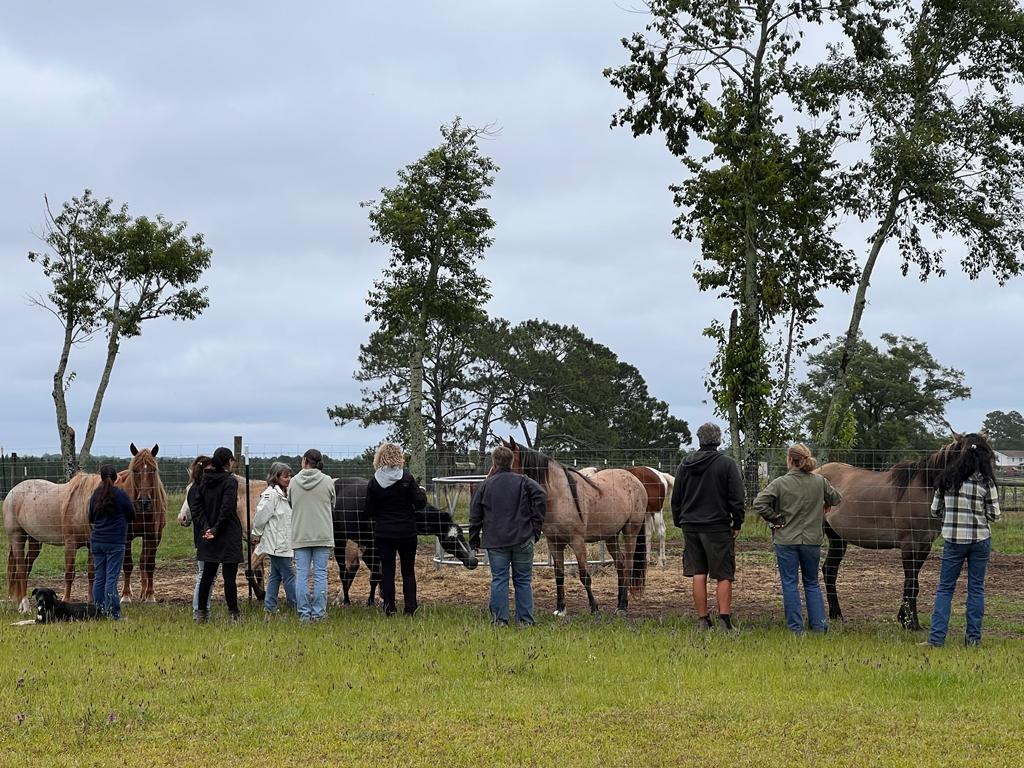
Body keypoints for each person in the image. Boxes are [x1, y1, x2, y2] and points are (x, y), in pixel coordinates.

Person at [753, 443, 842, 635]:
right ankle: (819, 626)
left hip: (786, 539)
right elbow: (837, 499)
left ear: (790, 460)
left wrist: (774, 517)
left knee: (790, 583)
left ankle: (796, 628)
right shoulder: (819, 482)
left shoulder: (780, 483)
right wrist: (825, 501)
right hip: (812, 539)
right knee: (812, 582)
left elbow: (759, 502)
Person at [923, 434, 1002, 648]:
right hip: (980, 539)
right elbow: (995, 515)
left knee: (945, 588)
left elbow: (934, 511)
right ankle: (973, 640)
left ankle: (936, 639)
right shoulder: (986, 482)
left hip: (953, 540)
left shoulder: (946, 479)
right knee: (976, 589)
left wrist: (949, 517)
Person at [670, 422, 745, 631]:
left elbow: (676, 498)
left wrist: (680, 521)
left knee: (698, 573)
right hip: (718, 526)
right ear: (718, 440)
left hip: (690, 526)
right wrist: (736, 522)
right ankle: (724, 621)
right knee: (723, 574)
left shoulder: (685, 464)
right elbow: (737, 497)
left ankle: (703, 620)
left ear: (699, 439)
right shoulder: (726, 464)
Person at [468, 445, 546, 627]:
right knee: (523, 580)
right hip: (523, 537)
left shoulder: (485, 485)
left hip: (496, 541)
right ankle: (525, 620)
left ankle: (500, 620)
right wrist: (536, 526)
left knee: (499, 579)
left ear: (493, 463)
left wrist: (474, 540)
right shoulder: (524, 481)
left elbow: (475, 515)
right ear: (512, 462)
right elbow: (541, 495)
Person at [365, 443, 427, 617]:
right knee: (408, 570)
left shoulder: (375, 481)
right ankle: (410, 607)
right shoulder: (407, 479)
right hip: (407, 531)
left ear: (379, 458)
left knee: (387, 569)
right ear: (399, 457)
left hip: (384, 532)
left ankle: (389, 607)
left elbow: (368, 509)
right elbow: (420, 502)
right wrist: (421, 493)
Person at [192, 447, 242, 622]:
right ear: (228, 461)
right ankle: (233, 614)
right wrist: (216, 528)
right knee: (229, 577)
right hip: (227, 534)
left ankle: (201, 613)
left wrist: (207, 527)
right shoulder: (230, 482)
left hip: (208, 535)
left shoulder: (205, 480)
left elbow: (197, 507)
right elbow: (227, 508)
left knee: (207, 575)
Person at [288, 448, 336, 624]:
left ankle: (304, 614)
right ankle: (319, 613)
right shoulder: (328, 481)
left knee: (302, 575)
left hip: (301, 534)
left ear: (305, 460)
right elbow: (333, 502)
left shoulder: (293, 482)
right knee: (320, 574)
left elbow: (290, 502)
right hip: (322, 534)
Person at [88, 464, 135, 620]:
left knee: (99, 577)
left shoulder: (95, 495)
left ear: (101, 478)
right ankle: (113, 614)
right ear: (116, 478)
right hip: (115, 542)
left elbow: (91, 517)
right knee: (111, 578)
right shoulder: (120, 495)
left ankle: (98, 611)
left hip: (97, 541)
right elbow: (132, 514)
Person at [252, 462, 297, 615]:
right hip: (277, 543)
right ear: (276, 477)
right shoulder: (270, 494)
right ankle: (296, 606)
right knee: (289, 575)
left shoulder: (285, 493)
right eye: (285, 476)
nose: (289, 479)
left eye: (290, 475)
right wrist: (256, 533)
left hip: (283, 542)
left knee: (275, 575)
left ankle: (269, 607)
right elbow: (260, 517)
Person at [177, 455, 214, 620]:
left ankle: (202, 609)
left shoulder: (199, 487)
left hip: (203, 536)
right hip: (205, 536)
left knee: (206, 575)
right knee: (204, 575)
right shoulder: (197, 488)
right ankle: (199, 609)